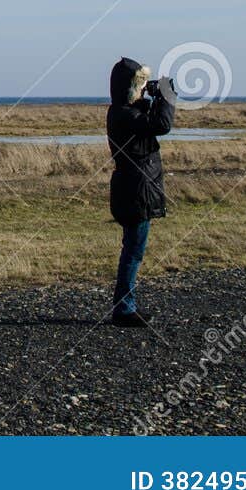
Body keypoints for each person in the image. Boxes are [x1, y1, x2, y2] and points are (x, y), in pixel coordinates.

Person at [106, 57, 175, 328]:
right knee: (134, 251)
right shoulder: (125, 115)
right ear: (130, 86)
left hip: (132, 189)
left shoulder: (120, 111)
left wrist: (156, 97)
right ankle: (124, 308)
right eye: (141, 83)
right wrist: (167, 97)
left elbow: (148, 117)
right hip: (136, 191)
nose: (145, 88)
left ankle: (124, 306)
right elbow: (161, 125)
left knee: (132, 249)